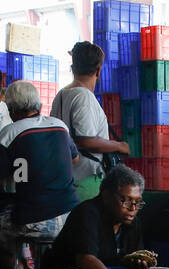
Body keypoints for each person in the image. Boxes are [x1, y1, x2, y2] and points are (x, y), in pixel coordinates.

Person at [27, 164, 155, 269]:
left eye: (137, 202)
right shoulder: (87, 213)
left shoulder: (132, 223)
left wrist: (136, 263)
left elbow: (129, 258)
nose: (132, 208)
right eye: (125, 200)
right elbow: (86, 260)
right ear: (106, 195)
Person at [0, 80, 80, 269]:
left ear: (12, 109)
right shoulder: (59, 126)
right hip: (70, 215)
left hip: (35, 216)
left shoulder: (10, 132)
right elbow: (74, 158)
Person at [50, 41, 129, 202]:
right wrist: (120, 146)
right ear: (99, 70)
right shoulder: (83, 96)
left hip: (64, 177)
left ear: (73, 67)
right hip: (85, 181)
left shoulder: (62, 94)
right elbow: (86, 140)